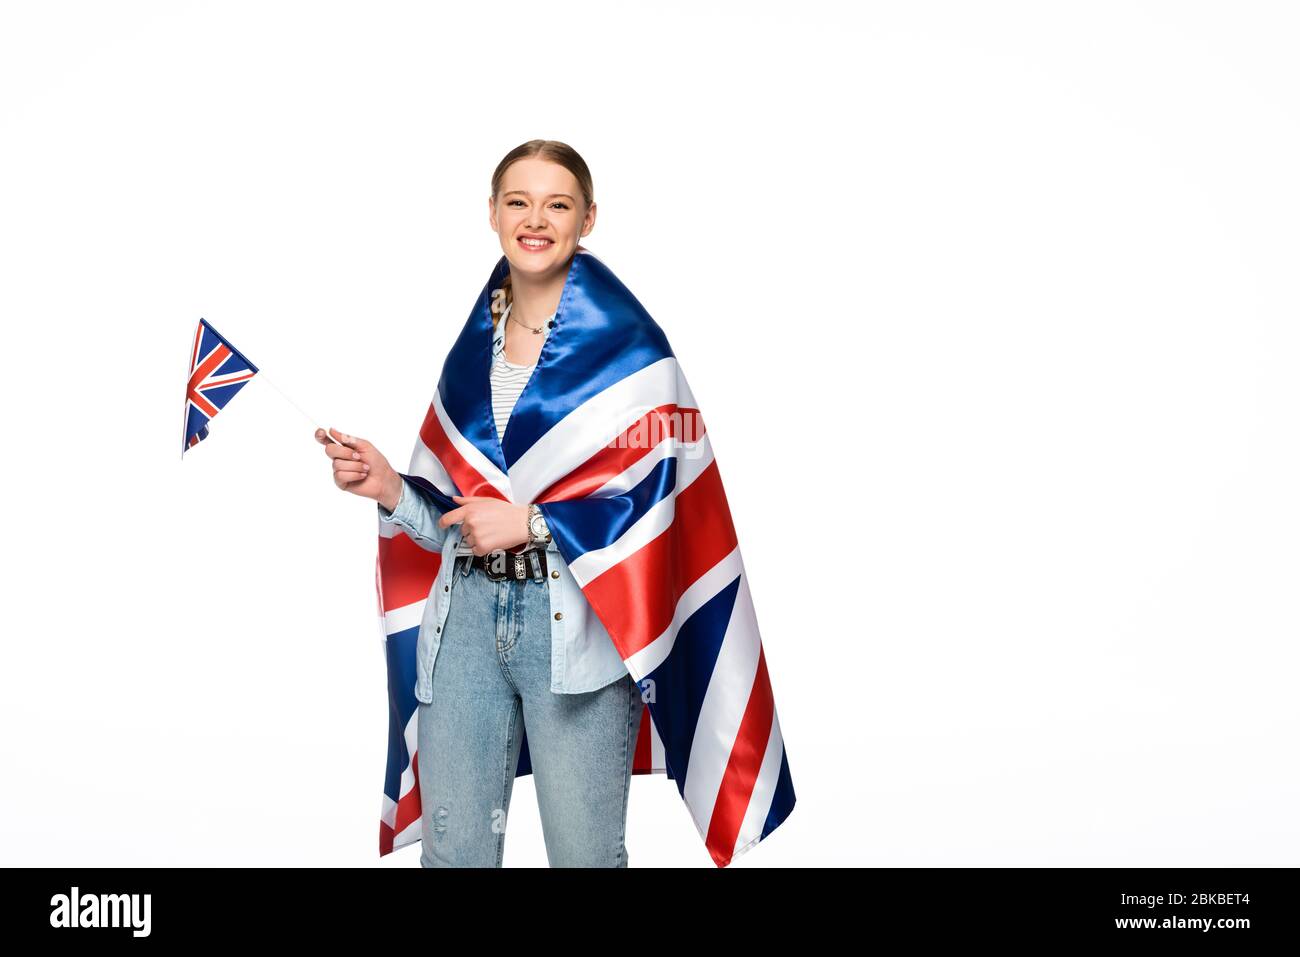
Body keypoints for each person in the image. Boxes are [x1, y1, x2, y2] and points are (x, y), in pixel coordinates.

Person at [314, 141, 644, 867]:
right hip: (462, 625)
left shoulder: (629, 350)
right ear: (492, 213)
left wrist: (529, 522)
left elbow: (656, 506)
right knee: (454, 856)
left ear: (587, 218)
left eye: (556, 204)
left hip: (574, 631)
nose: (535, 219)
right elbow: (453, 521)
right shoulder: (475, 349)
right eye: (518, 201)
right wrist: (390, 488)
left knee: (587, 857)